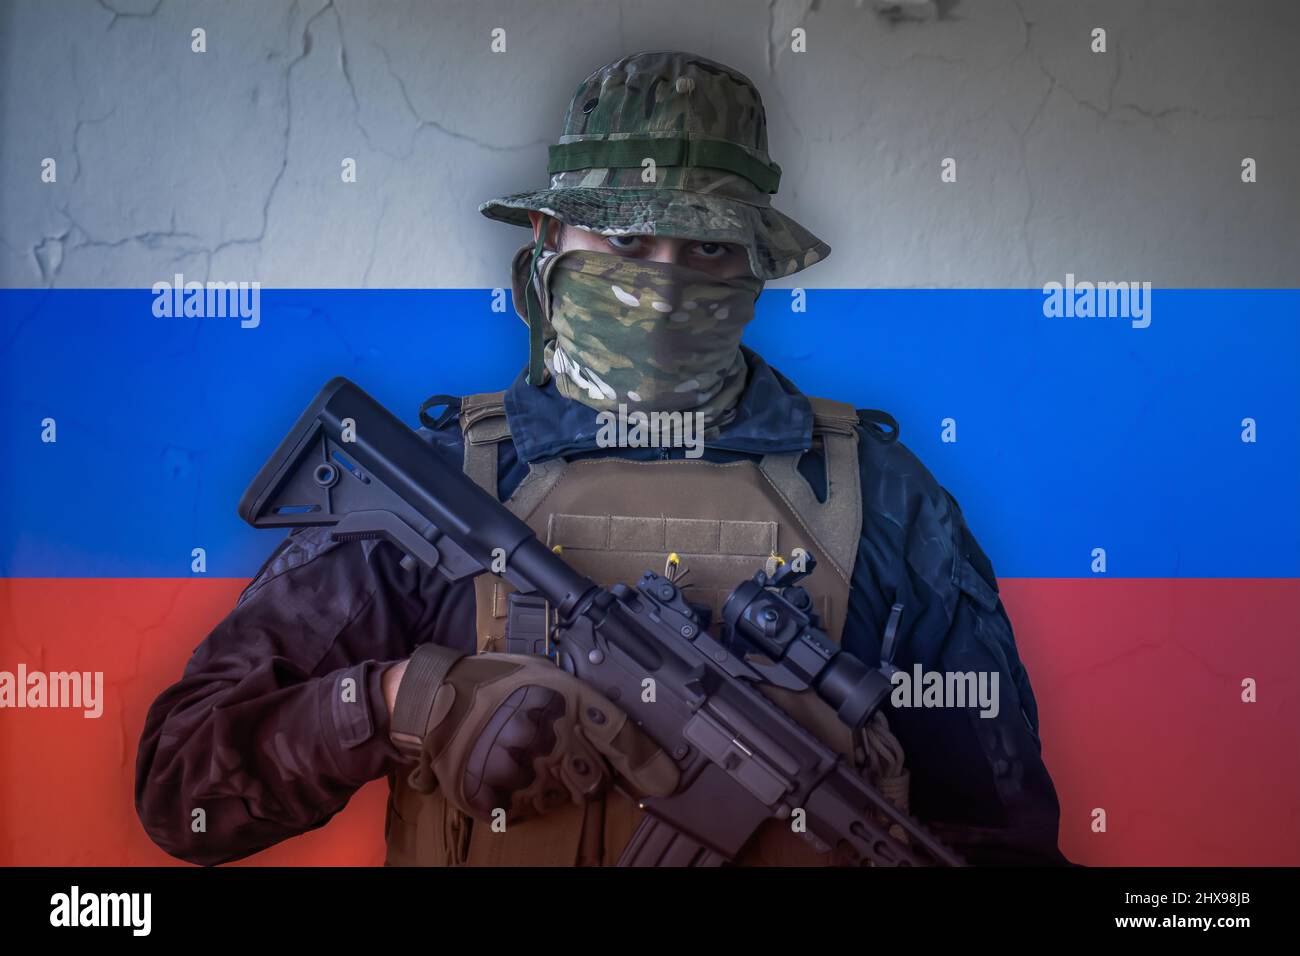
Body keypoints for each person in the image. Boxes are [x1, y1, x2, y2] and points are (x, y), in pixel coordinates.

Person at [136, 50, 1066, 867]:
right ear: (548, 246)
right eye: (624, 240)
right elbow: (187, 793)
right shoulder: (445, 483)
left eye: (707, 246)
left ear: (753, 265)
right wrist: (397, 703)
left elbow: (997, 836)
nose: (664, 285)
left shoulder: (879, 498)